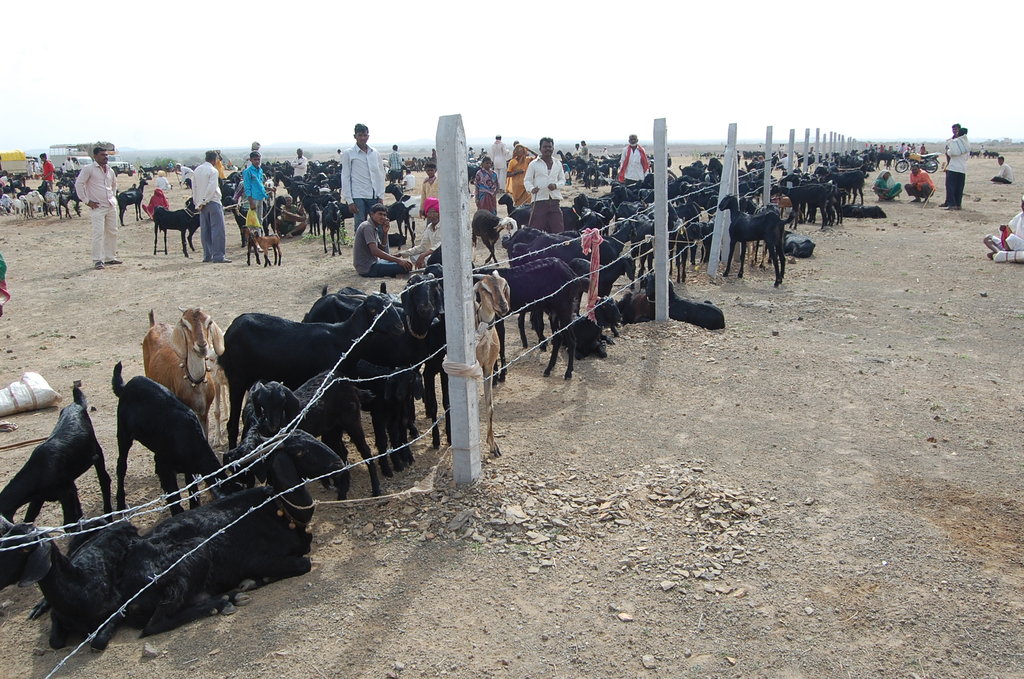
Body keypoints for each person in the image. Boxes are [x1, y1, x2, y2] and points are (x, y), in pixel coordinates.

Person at [74, 146, 121, 270]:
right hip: (97, 207)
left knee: (112, 231)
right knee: (98, 233)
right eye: (102, 155)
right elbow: (79, 184)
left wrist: (113, 198)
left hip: (110, 205)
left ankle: (110, 257)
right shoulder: (89, 169)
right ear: (95, 156)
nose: (105, 157)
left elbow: (114, 185)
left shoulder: (110, 170)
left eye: (106, 155)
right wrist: (86, 201)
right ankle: (97, 260)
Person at [341, 123, 386, 229]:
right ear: (355, 136)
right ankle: (360, 246)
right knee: (360, 226)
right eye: (360, 135)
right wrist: (349, 200)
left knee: (378, 225)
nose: (362, 138)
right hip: (358, 195)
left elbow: (380, 174)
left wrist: (381, 195)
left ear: (368, 136)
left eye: (365, 135)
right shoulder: (349, 153)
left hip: (373, 195)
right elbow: (345, 176)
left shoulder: (374, 153)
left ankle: (378, 246)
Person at [353, 203, 413, 277]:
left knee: (407, 264)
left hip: (373, 262)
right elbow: (375, 251)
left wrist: (385, 233)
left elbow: (382, 250)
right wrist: (398, 261)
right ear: (372, 214)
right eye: (380, 214)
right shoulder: (367, 227)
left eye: (384, 215)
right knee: (405, 267)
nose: (383, 217)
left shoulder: (373, 226)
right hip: (368, 267)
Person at [192, 150, 230, 263]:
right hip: (212, 201)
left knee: (205, 230)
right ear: (214, 160)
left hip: (201, 204)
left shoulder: (197, 170)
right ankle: (218, 256)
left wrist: (198, 202)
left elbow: (194, 187)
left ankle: (207, 255)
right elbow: (212, 188)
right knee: (217, 230)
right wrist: (204, 200)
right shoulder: (213, 171)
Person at [524, 137, 566, 233]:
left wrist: (555, 186)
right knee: (535, 231)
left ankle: (557, 248)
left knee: (558, 230)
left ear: (553, 148)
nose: (547, 149)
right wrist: (531, 189)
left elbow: (562, 180)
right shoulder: (533, 164)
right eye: (545, 147)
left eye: (550, 147)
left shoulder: (558, 163)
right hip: (539, 201)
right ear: (540, 149)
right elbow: (527, 181)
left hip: (554, 201)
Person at [400, 196, 442, 268]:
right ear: (426, 214)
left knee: (428, 259)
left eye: (435, 212)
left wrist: (424, 255)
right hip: (432, 256)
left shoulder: (444, 226)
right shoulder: (429, 227)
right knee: (414, 256)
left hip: (442, 256)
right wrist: (403, 253)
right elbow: (423, 246)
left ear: (439, 213)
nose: (432, 215)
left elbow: (440, 245)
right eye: (429, 212)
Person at [983, 195, 1024, 260]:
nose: (1023, 206)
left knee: (1012, 240)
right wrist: (1004, 229)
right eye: (1022, 203)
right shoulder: (1020, 216)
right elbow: (1009, 230)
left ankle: (1001, 255)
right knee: (988, 238)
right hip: (1013, 247)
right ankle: (999, 253)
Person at [942, 124, 970, 210]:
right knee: (959, 188)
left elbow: (951, 153)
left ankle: (952, 204)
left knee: (951, 187)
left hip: (954, 168)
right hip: (962, 169)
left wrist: (948, 151)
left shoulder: (955, 142)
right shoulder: (967, 143)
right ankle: (958, 204)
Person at [242, 151, 268, 234]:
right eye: (255, 159)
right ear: (251, 160)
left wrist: (269, 189)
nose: (257, 161)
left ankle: (259, 239)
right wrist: (251, 202)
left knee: (260, 219)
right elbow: (247, 187)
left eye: (258, 159)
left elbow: (260, 184)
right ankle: (253, 241)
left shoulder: (260, 170)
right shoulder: (247, 171)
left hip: (260, 196)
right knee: (253, 220)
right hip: (253, 198)